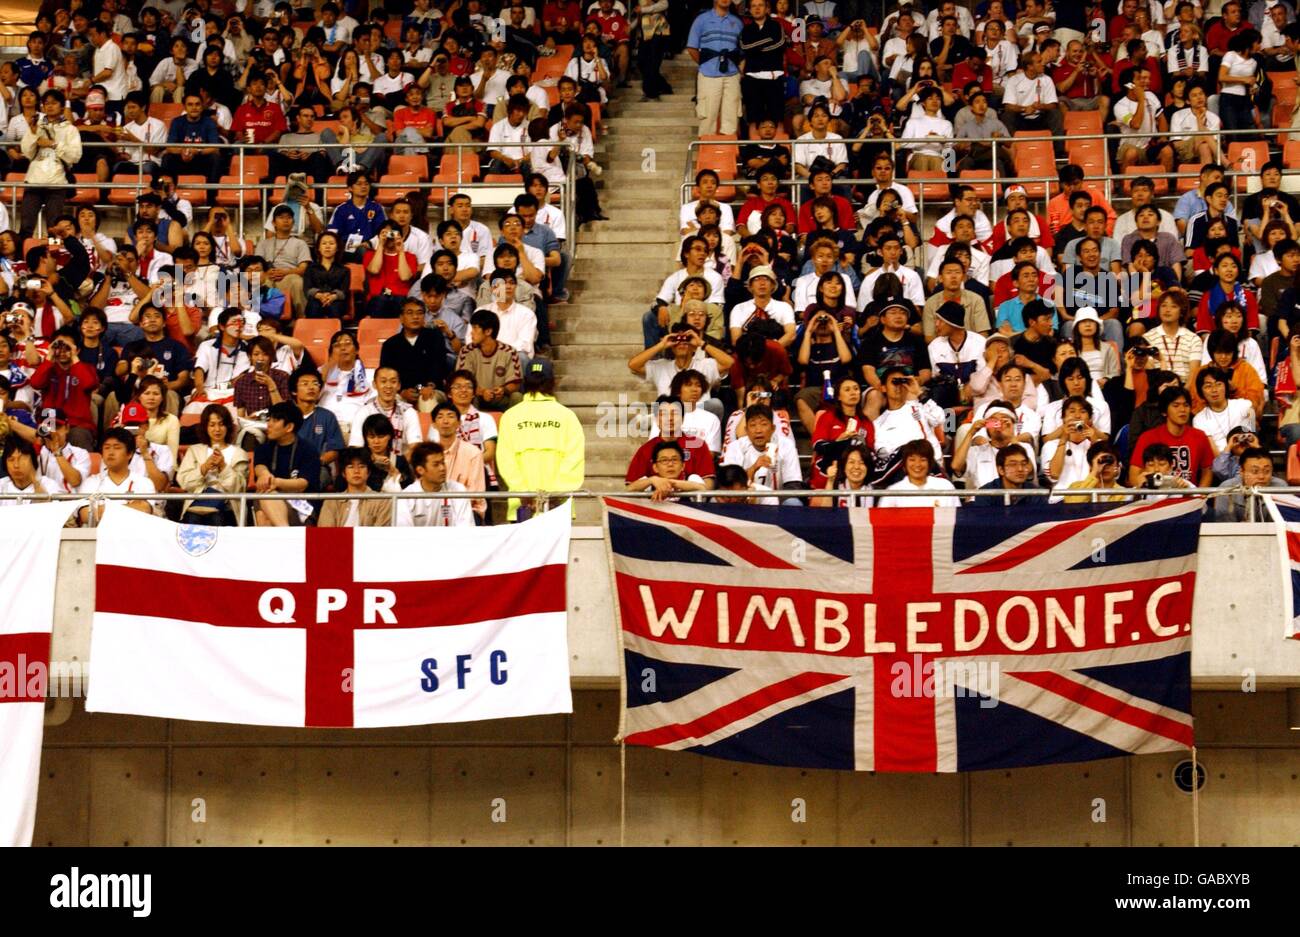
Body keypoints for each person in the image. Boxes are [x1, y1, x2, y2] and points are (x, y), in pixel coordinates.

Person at [495, 358, 584, 520]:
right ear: (553, 382)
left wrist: (524, 493)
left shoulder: (510, 416)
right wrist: (555, 494)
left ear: (525, 382)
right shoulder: (567, 416)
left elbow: (505, 460)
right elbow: (574, 460)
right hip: (558, 506)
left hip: (522, 506)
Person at [20, 89, 81, 240]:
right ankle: (21, 260)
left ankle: (53, 260)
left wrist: (53, 145)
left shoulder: (70, 129)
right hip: (34, 181)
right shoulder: (37, 126)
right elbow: (26, 152)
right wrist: (33, 133)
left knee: (54, 228)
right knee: (26, 226)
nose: (49, 106)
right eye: (46, 103)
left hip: (57, 183)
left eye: (54, 103)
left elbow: (75, 156)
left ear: (62, 107)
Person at [176, 403, 249, 525]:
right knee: (193, 518)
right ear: (205, 427)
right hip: (198, 504)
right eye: (212, 425)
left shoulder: (239, 453)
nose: (217, 429)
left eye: (221, 424)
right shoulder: (195, 450)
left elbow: (239, 487)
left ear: (228, 426)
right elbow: (184, 482)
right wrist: (204, 468)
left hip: (227, 505)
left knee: (216, 517)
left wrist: (223, 467)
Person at [1129, 386, 1215, 487]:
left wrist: (1198, 495)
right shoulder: (1148, 438)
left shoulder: (1199, 436)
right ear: (1164, 412)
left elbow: (1208, 471)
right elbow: (1133, 476)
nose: (1182, 410)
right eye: (1176, 405)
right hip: (1156, 497)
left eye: (1186, 405)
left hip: (1189, 497)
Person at [27, 327, 97, 450]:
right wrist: (49, 356)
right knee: (40, 438)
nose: (63, 351)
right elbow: (35, 383)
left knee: (78, 436)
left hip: (78, 424)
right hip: (50, 420)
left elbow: (90, 384)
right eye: (58, 347)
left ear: (77, 349)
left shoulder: (86, 368)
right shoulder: (48, 368)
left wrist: (74, 358)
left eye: (67, 348)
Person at [252, 401, 320, 527]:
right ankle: (285, 532)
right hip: (272, 501)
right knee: (266, 499)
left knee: (265, 506)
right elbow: (260, 467)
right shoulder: (264, 448)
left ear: (289, 427)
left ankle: (284, 534)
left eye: (275, 420)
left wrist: (275, 482)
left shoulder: (308, 450)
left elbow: (302, 484)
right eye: (269, 419)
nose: (269, 425)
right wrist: (265, 474)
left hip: (301, 507)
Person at [77, 428, 157, 525]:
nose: (110, 452)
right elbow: (85, 515)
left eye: (117, 447)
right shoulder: (91, 482)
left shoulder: (144, 482)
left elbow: (144, 510)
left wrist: (102, 510)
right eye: (106, 447)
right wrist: (130, 507)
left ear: (130, 454)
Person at [688, 0, 744, 136]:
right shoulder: (701, 19)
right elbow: (692, 48)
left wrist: (740, 71)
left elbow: (742, 51)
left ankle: (727, 155)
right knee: (708, 118)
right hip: (708, 75)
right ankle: (707, 155)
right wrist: (705, 63)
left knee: (731, 120)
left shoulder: (737, 22)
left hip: (731, 75)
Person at [396, 440, 475, 527]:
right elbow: (404, 535)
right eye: (436, 464)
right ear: (420, 470)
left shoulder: (458, 490)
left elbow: (466, 529)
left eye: (442, 462)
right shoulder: (405, 497)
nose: (442, 468)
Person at [318, 448, 394, 528]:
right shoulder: (331, 501)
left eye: (361, 466)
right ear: (343, 473)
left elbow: (380, 536)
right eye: (351, 467)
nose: (356, 471)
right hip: (337, 540)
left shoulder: (382, 501)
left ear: (368, 472)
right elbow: (325, 535)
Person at [876, 438, 960, 507]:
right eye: (912, 460)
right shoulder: (892, 492)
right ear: (904, 464)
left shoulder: (946, 487)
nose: (917, 464)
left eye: (923, 459)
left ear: (930, 463)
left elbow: (956, 520)